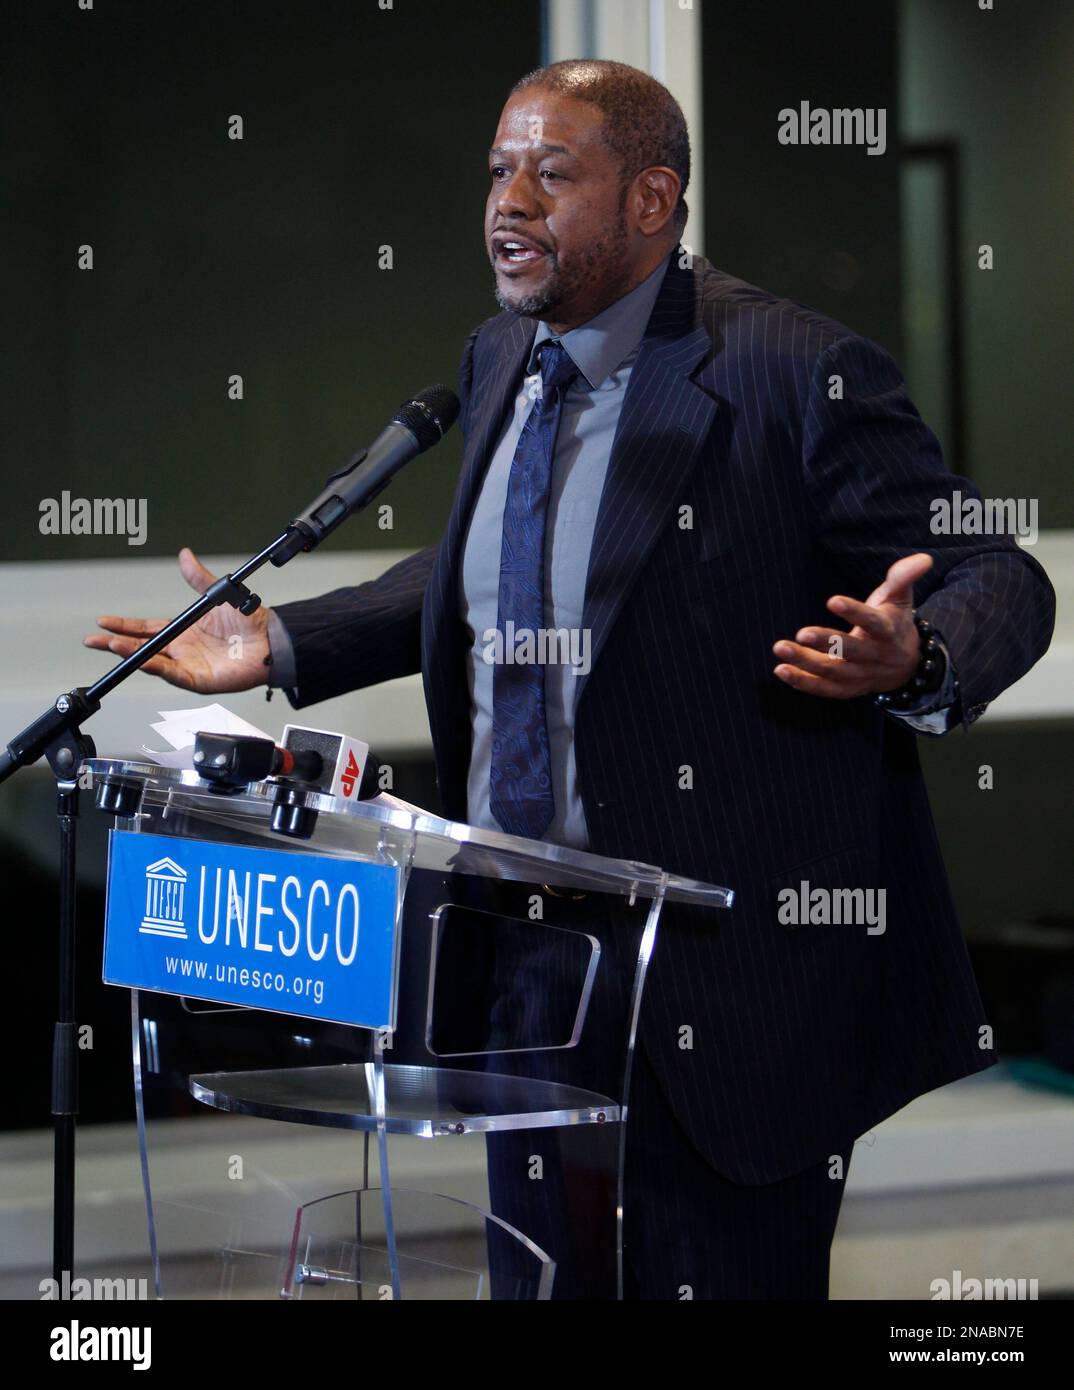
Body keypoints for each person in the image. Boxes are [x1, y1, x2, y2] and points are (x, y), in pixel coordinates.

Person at [85, 59, 1056, 1299]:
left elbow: (998, 569)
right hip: (532, 962)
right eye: (499, 169)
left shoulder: (788, 370)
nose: (510, 202)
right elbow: (502, 562)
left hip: (722, 978)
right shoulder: (500, 355)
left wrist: (916, 654)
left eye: (553, 173)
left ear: (653, 199)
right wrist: (280, 644)